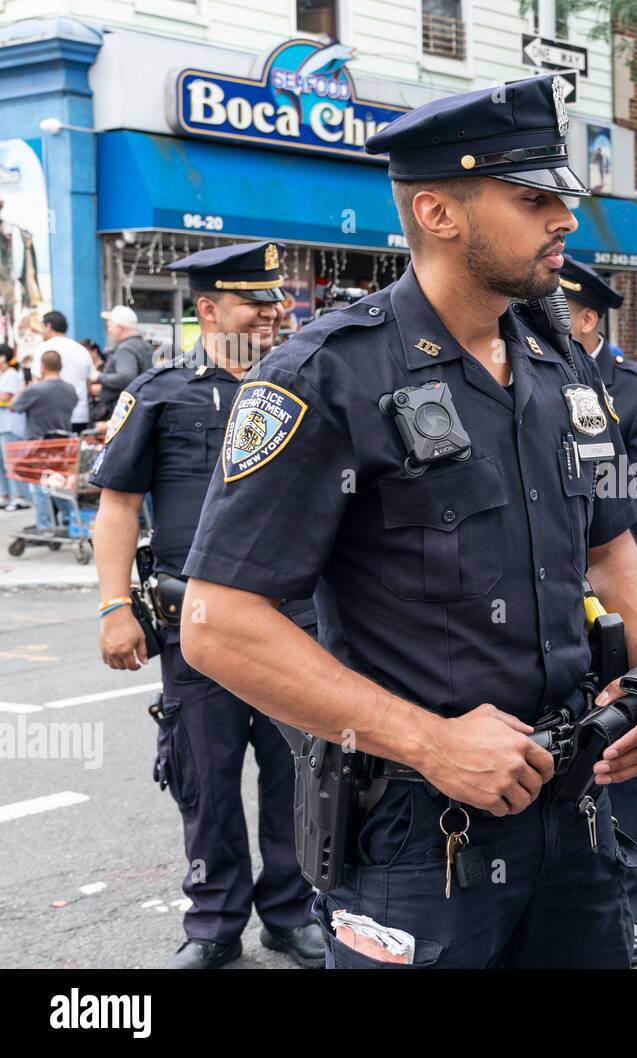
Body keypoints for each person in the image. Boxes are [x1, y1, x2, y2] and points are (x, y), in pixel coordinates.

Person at [178, 75, 637, 970]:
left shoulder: (557, 361)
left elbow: (610, 545)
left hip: (574, 816)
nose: (565, 219)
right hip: (419, 836)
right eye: (533, 199)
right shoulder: (327, 375)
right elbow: (219, 625)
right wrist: (431, 743)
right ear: (440, 213)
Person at [89, 242, 325, 971]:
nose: (273, 311)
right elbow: (118, 505)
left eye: (276, 300)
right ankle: (215, 922)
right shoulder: (159, 392)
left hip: (295, 619)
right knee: (206, 774)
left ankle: (291, 914)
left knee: (298, 775)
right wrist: (110, 608)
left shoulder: (307, 384)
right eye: (257, 300)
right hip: (195, 625)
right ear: (209, 309)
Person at [558, 255, 637, 964]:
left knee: (621, 753)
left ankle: (630, 906)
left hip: (613, 598)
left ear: (587, 318)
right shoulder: (532, 371)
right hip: (558, 599)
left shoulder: (632, 391)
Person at [11, 349, 79, 534]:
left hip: (39, 444)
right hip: (63, 444)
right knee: (59, 485)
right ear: (61, 366)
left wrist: (23, 388)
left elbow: (14, 407)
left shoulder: (35, 389)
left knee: (39, 488)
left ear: (42, 366)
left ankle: (45, 525)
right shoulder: (69, 389)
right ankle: (70, 521)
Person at [33, 310, 95, 432]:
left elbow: (37, 381)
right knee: (78, 450)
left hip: (51, 417)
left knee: (54, 451)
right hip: (80, 414)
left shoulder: (43, 348)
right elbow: (89, 383)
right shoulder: (81, 350)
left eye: (42, 326)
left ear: (48, 326)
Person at [92, 305, 154, 421]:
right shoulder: (145, 346)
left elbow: (126, 378)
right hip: (140, 410)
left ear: (120, 328)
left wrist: (98, 377)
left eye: (110, 326)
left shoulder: (126, 348)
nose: (108, 330)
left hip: (123, 413)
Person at [0, 343, 29, 511]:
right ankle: (5, 496)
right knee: (2, 463)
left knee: (11, 463)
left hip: (10, 426)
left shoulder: (11, 375)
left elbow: (5, 397)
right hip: (2, 426)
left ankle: (19, 497)